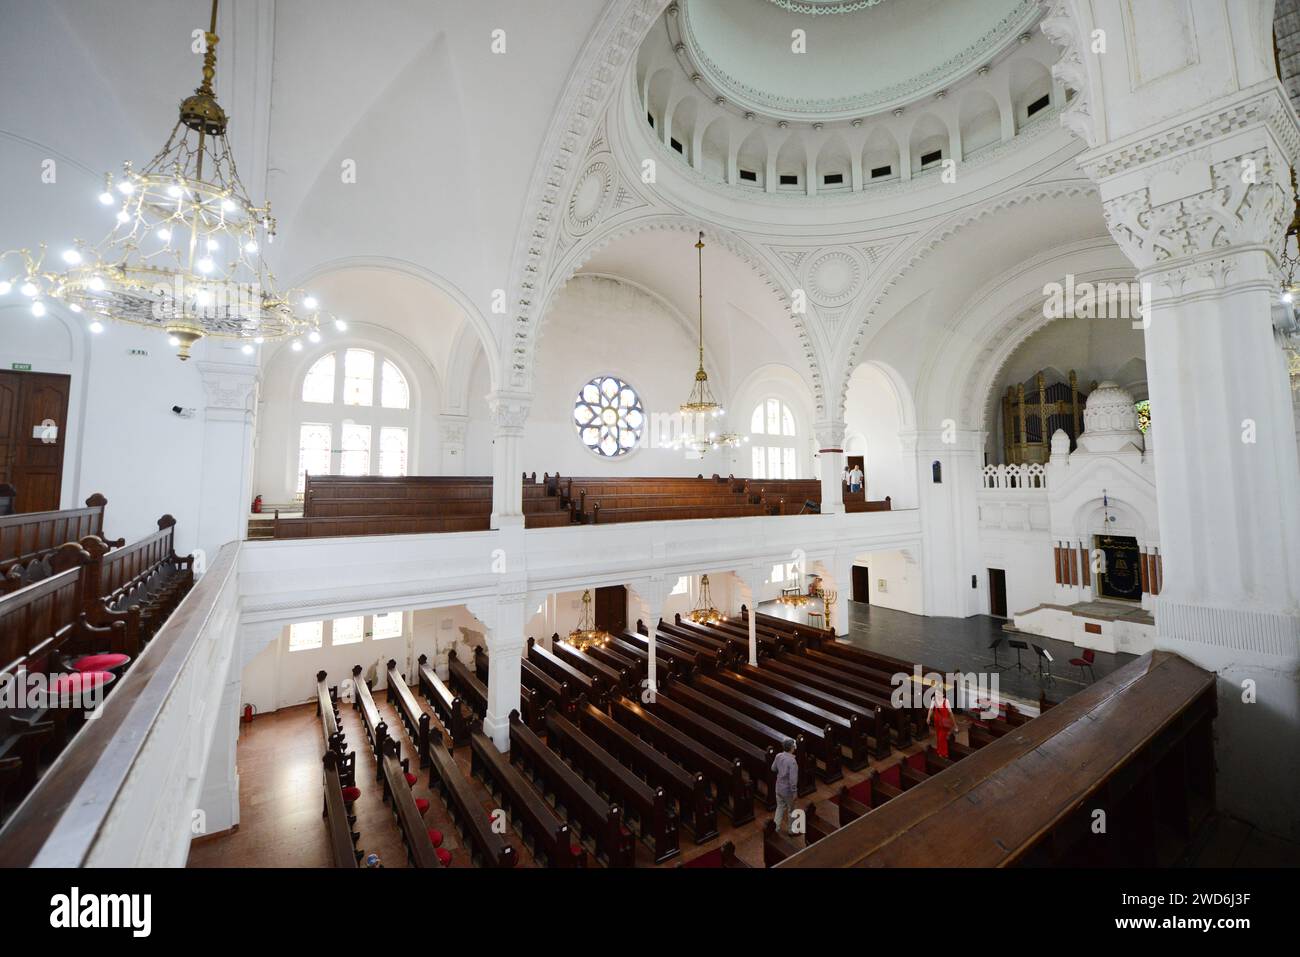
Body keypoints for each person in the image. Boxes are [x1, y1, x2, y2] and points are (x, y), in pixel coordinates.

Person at [772, 738, 799, 835]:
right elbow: (793, 780)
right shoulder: (792, 761)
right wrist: (794, 792)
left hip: (778, 787)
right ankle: (791, 830)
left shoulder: (778, 756)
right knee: (791, 810)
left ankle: (775, 829)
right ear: (791, 748)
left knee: (779, 807)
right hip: (788, 791)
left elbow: (773, 768)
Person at [927, 685, 955, 759]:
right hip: (937, 723)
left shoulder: (946, 701)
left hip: (944, 724)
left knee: (941, 738)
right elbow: (930, 709)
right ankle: (939, 751)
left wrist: (954, 724)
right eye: (936, 693)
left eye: (938, 693)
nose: (937, 694)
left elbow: (950, 713)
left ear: (943, 694)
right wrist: (928, 717)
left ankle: (944, 753)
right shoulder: (934, 699)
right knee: (939, 737)